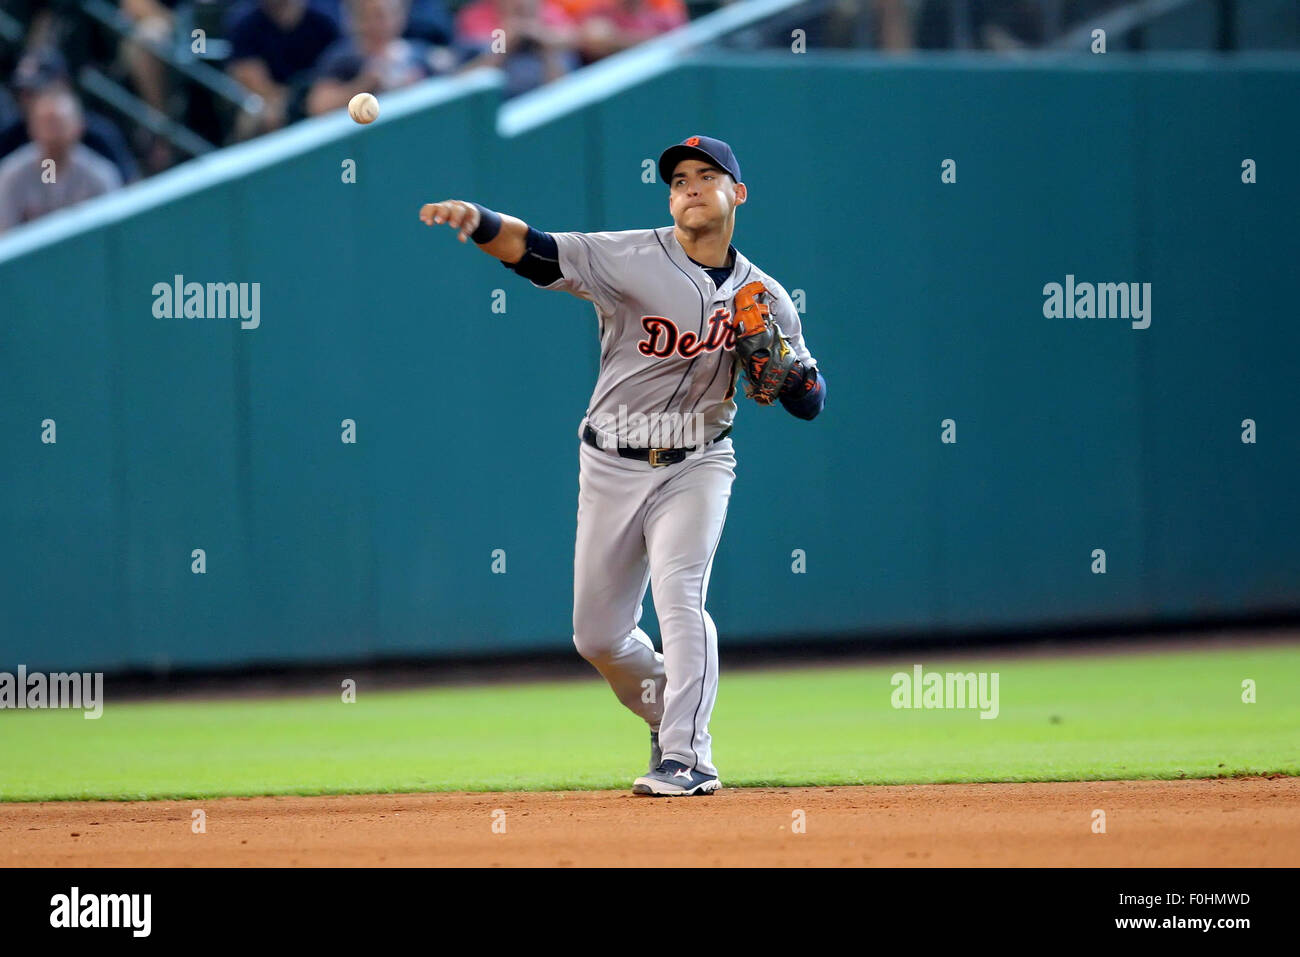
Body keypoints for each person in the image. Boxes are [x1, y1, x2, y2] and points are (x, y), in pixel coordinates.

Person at [417, 135, 826, 796]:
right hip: (612, 459)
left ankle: (689, 757)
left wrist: (785, 375)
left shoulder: (767, 295)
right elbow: (538, 251)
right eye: (679, 179)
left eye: (706, 176)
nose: (690, 187)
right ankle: (670, 712)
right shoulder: (632, 256)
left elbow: (810, 402)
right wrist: (481, 221)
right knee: (598, 635)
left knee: (680, 593)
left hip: (699, 461)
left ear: (737, 194)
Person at [0, 47, 139, 183]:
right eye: (22, 93)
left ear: (64, 85)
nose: (26, 100)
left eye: (34, 92)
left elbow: (129, 188)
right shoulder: (11, 137)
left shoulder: (98, 135)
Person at [0, 87, 122, 233]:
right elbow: (5, 237)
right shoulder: (12, 175)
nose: (52, 132)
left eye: (58, 123)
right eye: (46, 123)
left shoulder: (99, 174)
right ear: (31, 127)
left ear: (79, 125)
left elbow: (113, 233)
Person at [306, 0, 455, 117]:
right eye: (367, 16)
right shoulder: (344, 58)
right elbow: (317, 106)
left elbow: (453, 68)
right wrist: (365, 84)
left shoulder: (417, 51)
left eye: (382, 15)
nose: (376, 24)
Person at [226, 0, 341, 135]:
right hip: (271, 101)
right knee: (261, 116)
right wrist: (292, 101)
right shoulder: (244, 22)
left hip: (319, 94)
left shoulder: (323, 19)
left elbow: (337, 72)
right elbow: (251, 82)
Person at [455, 0, 580, 98]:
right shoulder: (475, 20)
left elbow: (562, 95)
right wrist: (504, 43)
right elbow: (460, 86)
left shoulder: (551, 18)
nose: (522, 3)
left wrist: (546, 47)